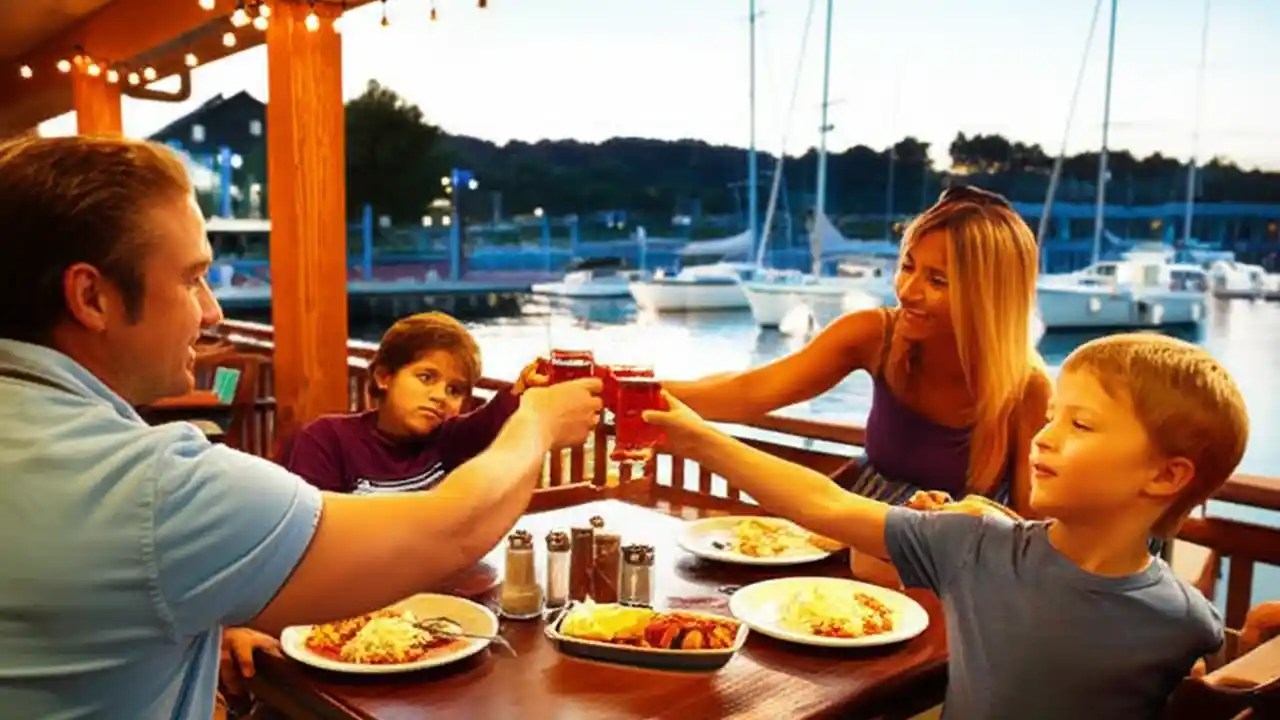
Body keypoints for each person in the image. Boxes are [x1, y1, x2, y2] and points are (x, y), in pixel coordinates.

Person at [0, 135, 601, 719]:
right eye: (191, 278)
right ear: (91, 297)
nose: (212, 311)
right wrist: (538, 425)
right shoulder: (151, 490)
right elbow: (450, 532)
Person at [646, 333, 1247, 719]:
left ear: (1166, 477)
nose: (1043, 434)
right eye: (1052, 416)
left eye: (1081, 425)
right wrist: (696, 437)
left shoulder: (1189, 626)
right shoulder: (975, 545)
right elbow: (824, 505)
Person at [666, 185, 1050, 516]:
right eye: (908, 266)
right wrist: (626, 388)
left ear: (989, 296)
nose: (908, 290)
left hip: (950, 571)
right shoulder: (875, 335)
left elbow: (1030, 528)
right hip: (848, 534)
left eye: (937, 280)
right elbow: (747, 392)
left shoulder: (1026, 388)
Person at [283, 311, 540, 494]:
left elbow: (493, 419)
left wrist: (524, 388)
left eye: (454, 390)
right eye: (426, 377)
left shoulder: (449, 440)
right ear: (384, 377)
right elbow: (310, 528)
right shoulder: (328, 439)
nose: (440, 396)